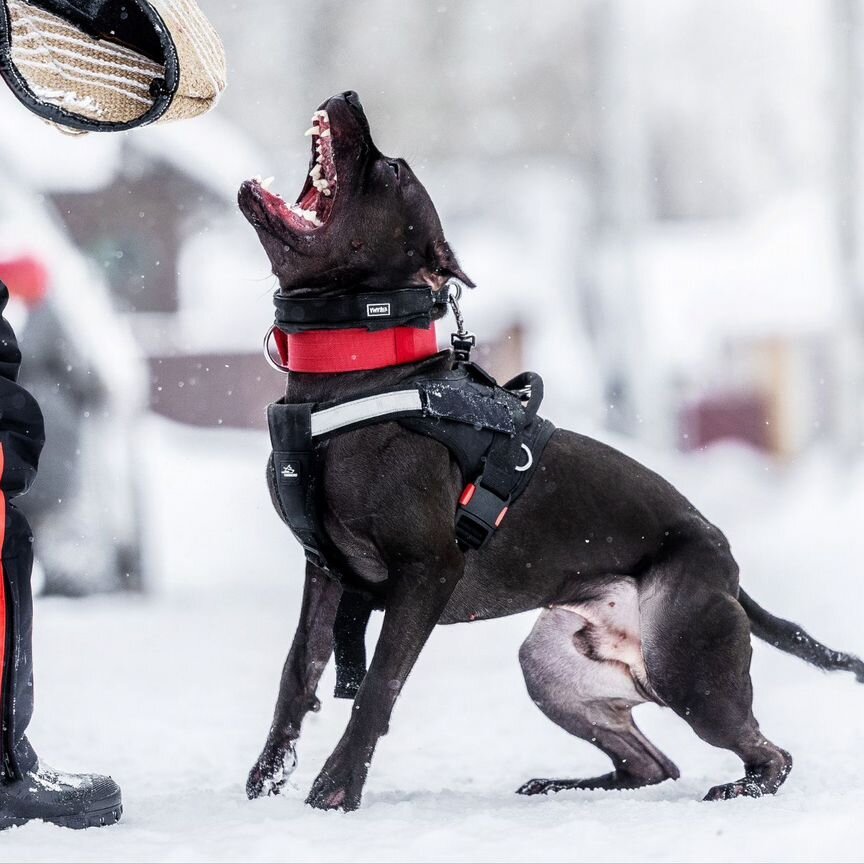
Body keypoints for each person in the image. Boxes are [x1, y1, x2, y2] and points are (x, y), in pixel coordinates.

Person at [0, 280, 122, 830]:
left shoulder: (44, 316)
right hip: (48, 445)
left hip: (33, 445)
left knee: (26, 537)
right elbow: (88, 377)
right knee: (32, 535)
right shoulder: (52, 315)